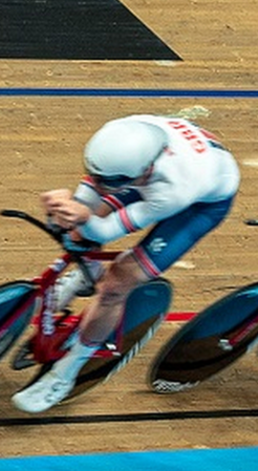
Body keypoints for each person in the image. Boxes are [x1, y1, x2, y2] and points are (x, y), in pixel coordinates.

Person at [12, 114, 240, 413]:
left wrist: (82, 215)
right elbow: (94, 190)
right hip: (169, 166)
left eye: (110, 183)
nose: (101, 185)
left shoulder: (174, 188)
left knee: (116, 285)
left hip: (202, 203)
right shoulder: (119, 134)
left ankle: (66, 373)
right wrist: (68, 208)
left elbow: (106, 230)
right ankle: (88, 271)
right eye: (97, 176)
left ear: (145, 171)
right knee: (80, 227)